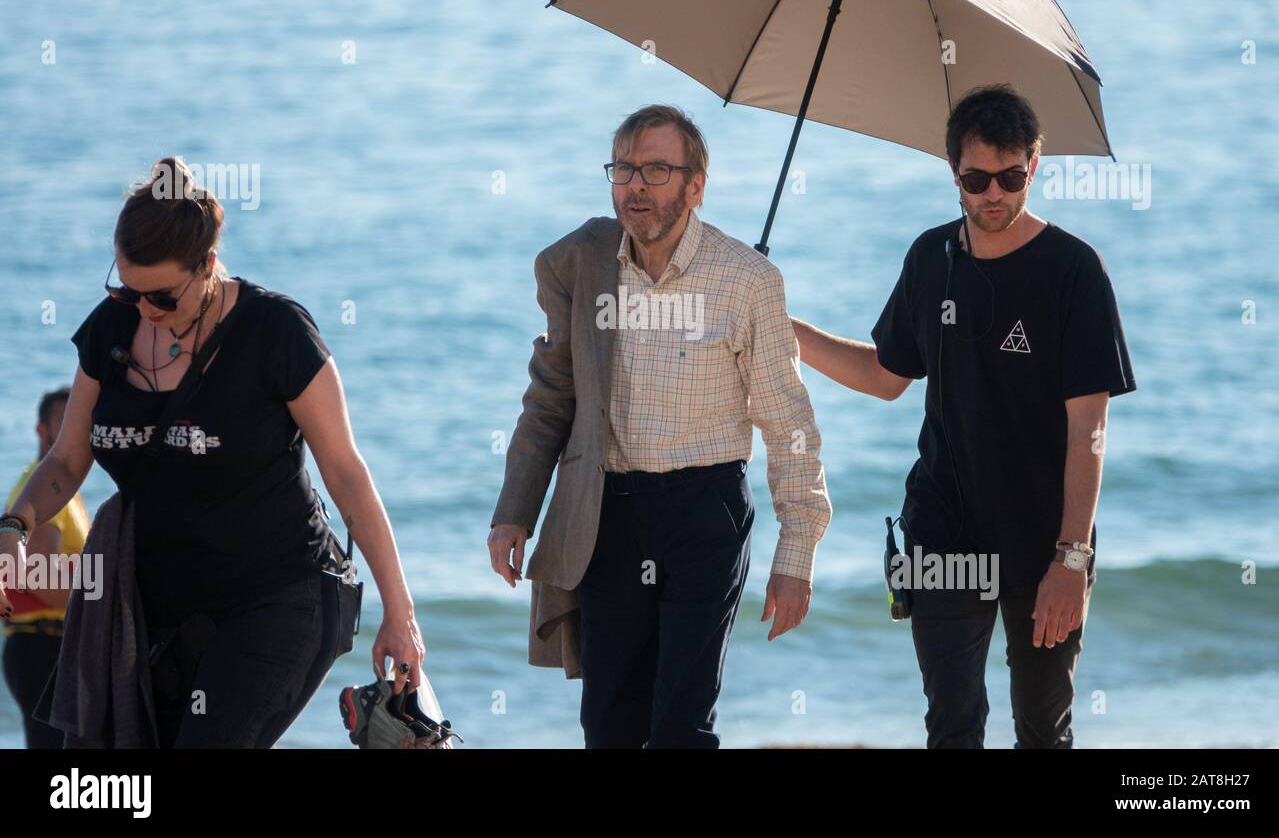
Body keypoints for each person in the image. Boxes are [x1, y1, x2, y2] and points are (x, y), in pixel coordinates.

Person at [0, 157, 425, 748]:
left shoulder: (275, 333)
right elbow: (68, 461)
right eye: (126, 289)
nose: (143, 308)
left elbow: (347, 475)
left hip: (280, 595)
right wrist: (15, 525)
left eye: (162, 296)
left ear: (207, 265)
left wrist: (399, 614)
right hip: (157, 608)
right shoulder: (109, 331)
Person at [791, 84, 1135, 748]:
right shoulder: (930, 259)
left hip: (1044, 540)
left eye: (1010, 177)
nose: (993, 195)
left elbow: (1088, 428)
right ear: (953, 171)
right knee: (951, 723)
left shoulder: (1073, 271)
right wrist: (787, 331)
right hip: (943, 528)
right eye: (977, 179)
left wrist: (1072, 557)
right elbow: (885, 375)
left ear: (1034, 166)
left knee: (1043, 727)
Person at [487, 105, 832, 748]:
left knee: (681, 726)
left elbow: (788, 424)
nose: (635, 186)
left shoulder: (748, 281)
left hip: (707, 513)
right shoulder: (582, 265)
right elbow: (550, 398)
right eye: (623, 169)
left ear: (696, 186)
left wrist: (797, 555)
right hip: (610, 513)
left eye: (656, 170)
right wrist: (515, 511)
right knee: (610, 724)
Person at [1, 388, 90, 748]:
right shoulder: (46, 492)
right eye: (65, 422)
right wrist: (103, 611)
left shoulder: (46, 488)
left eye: (82, 421)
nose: (77, 430)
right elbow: (37, 576)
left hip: (38, 645)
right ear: (42, 431)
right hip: (43, 645)